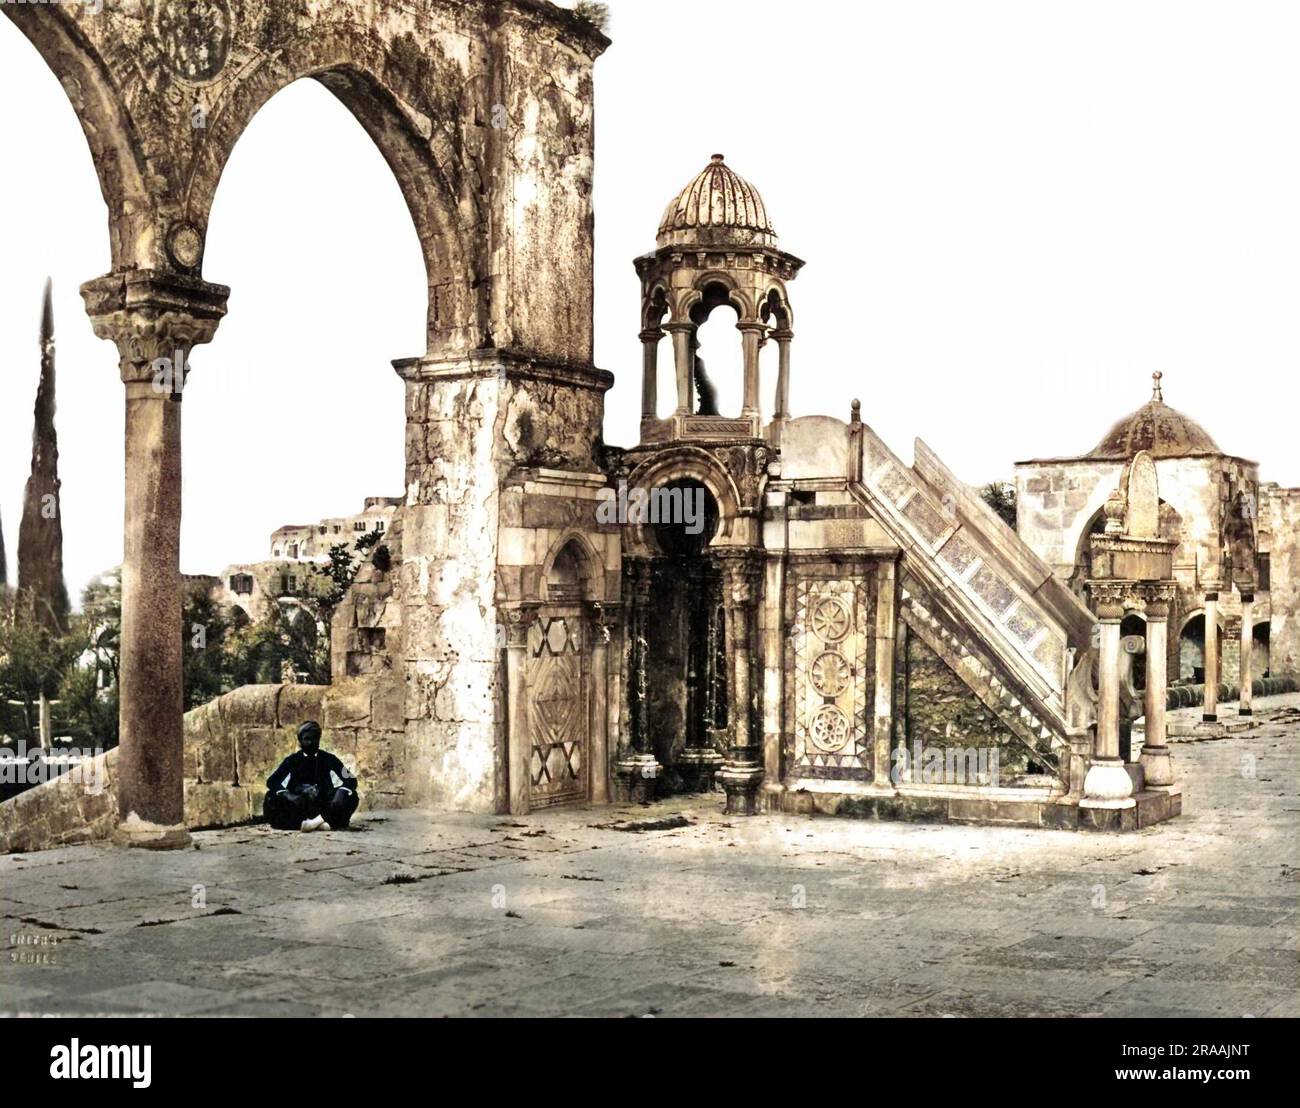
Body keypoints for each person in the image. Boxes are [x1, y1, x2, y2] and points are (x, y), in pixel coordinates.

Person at [263, 721, 359, 831]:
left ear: (319, 739)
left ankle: (315, 822)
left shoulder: (329, 759)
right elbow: (272, 781)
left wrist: (341, 792)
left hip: (324, 804)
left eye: (314, 739)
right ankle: (325, 824)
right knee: (270, 797)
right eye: (307, 739)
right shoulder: (292, 760)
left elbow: (351, 779)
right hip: (299, 804)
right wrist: (287, 794)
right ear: (300, 741)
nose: (310, 742)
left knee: (351, 795)